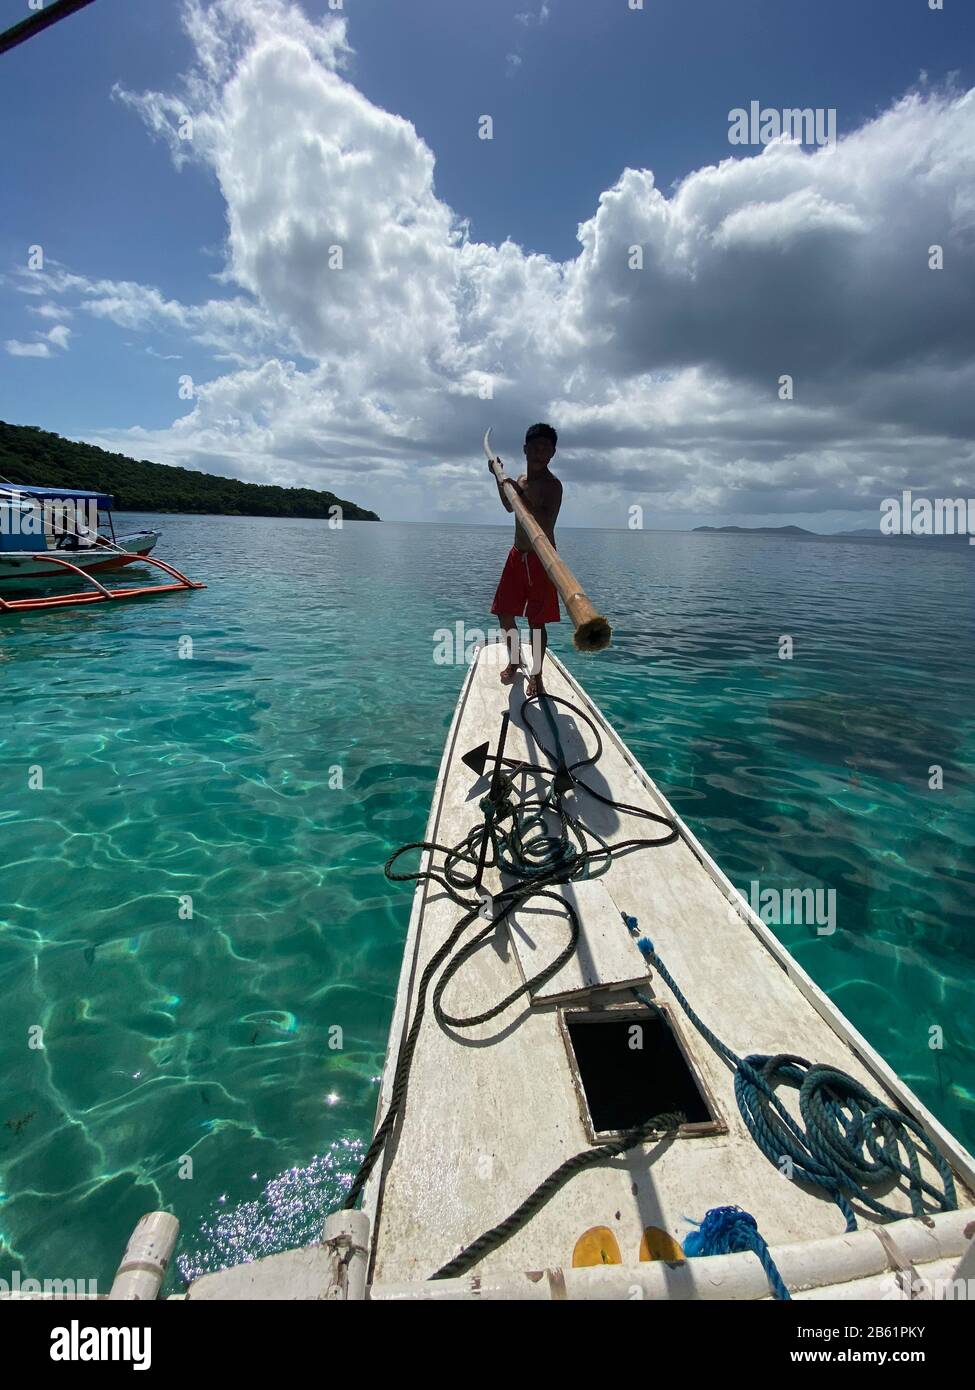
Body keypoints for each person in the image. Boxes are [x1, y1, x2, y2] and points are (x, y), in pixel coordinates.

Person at [488, 422, 563, 698]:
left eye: (546, 448)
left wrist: (518, 494)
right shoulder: (520, 480)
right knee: (503, 613)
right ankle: (516, 658)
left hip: (542, 559)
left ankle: (538, 674)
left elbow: (541, 521)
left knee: (536, 622)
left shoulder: (553, 487)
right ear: (526, 449)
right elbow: (510, 506)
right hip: (516, 555)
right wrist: (500, 480)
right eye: (535, 447)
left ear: (553, 453)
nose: (540, 452)